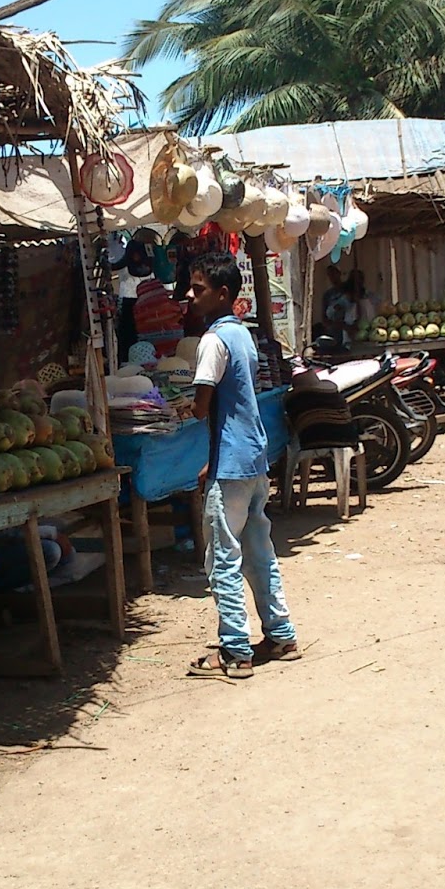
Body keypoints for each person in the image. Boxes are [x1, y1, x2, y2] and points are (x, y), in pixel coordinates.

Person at [183, 251, 299, 680]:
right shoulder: (244, 335)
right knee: (259, 550)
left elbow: (202, 408)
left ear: (223, 293)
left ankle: (235, 649)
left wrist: (182, 407)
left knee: (223, 559)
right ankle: (281, 634)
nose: (190, 297)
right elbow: (236, 409)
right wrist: (210, 464)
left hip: (231, 464)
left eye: (199, 289)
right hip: (252, 458)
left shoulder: (213, 341)